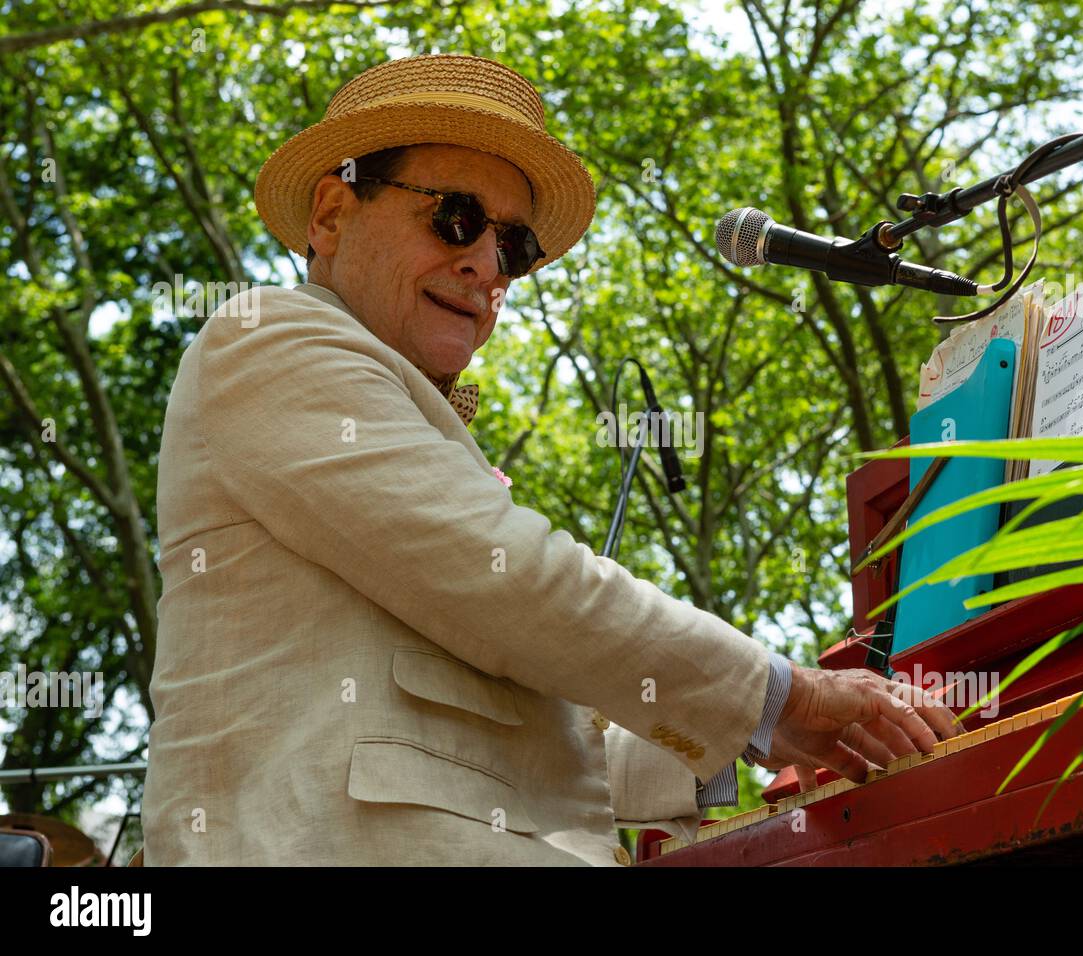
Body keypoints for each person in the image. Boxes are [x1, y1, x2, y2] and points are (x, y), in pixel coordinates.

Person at [141, 53, 957, 866]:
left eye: (515, 245)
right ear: (330, 213)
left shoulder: (379, 409)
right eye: (456, 217)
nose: (488, 266)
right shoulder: (266, 339)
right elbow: (513, 582)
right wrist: (780, 700)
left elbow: (498, 732)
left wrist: (778, 743)